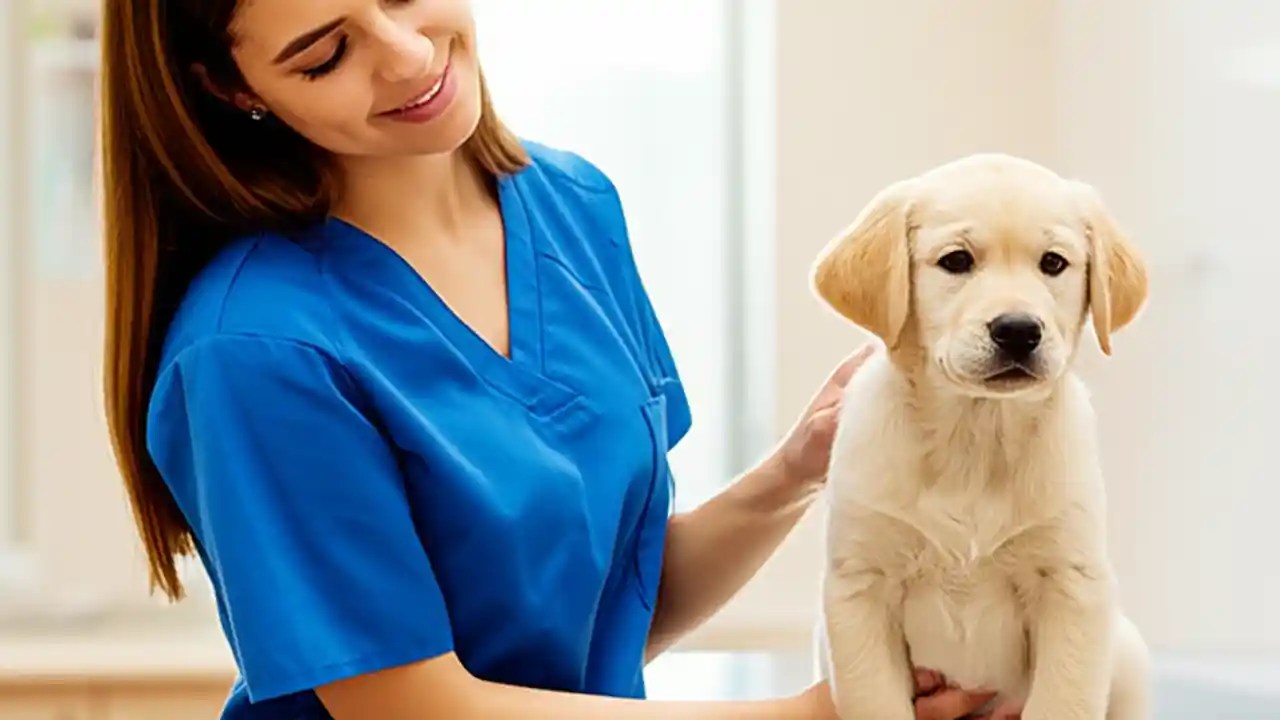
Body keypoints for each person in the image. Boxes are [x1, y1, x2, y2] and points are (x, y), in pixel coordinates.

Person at [98, 1, 1001, 718]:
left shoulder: (572, 204)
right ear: (230, 86)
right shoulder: (256, 350)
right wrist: (815, 716)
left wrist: (796, 469)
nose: (408, 55)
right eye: (324, 53)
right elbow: (410, 706)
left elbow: (601, 612)